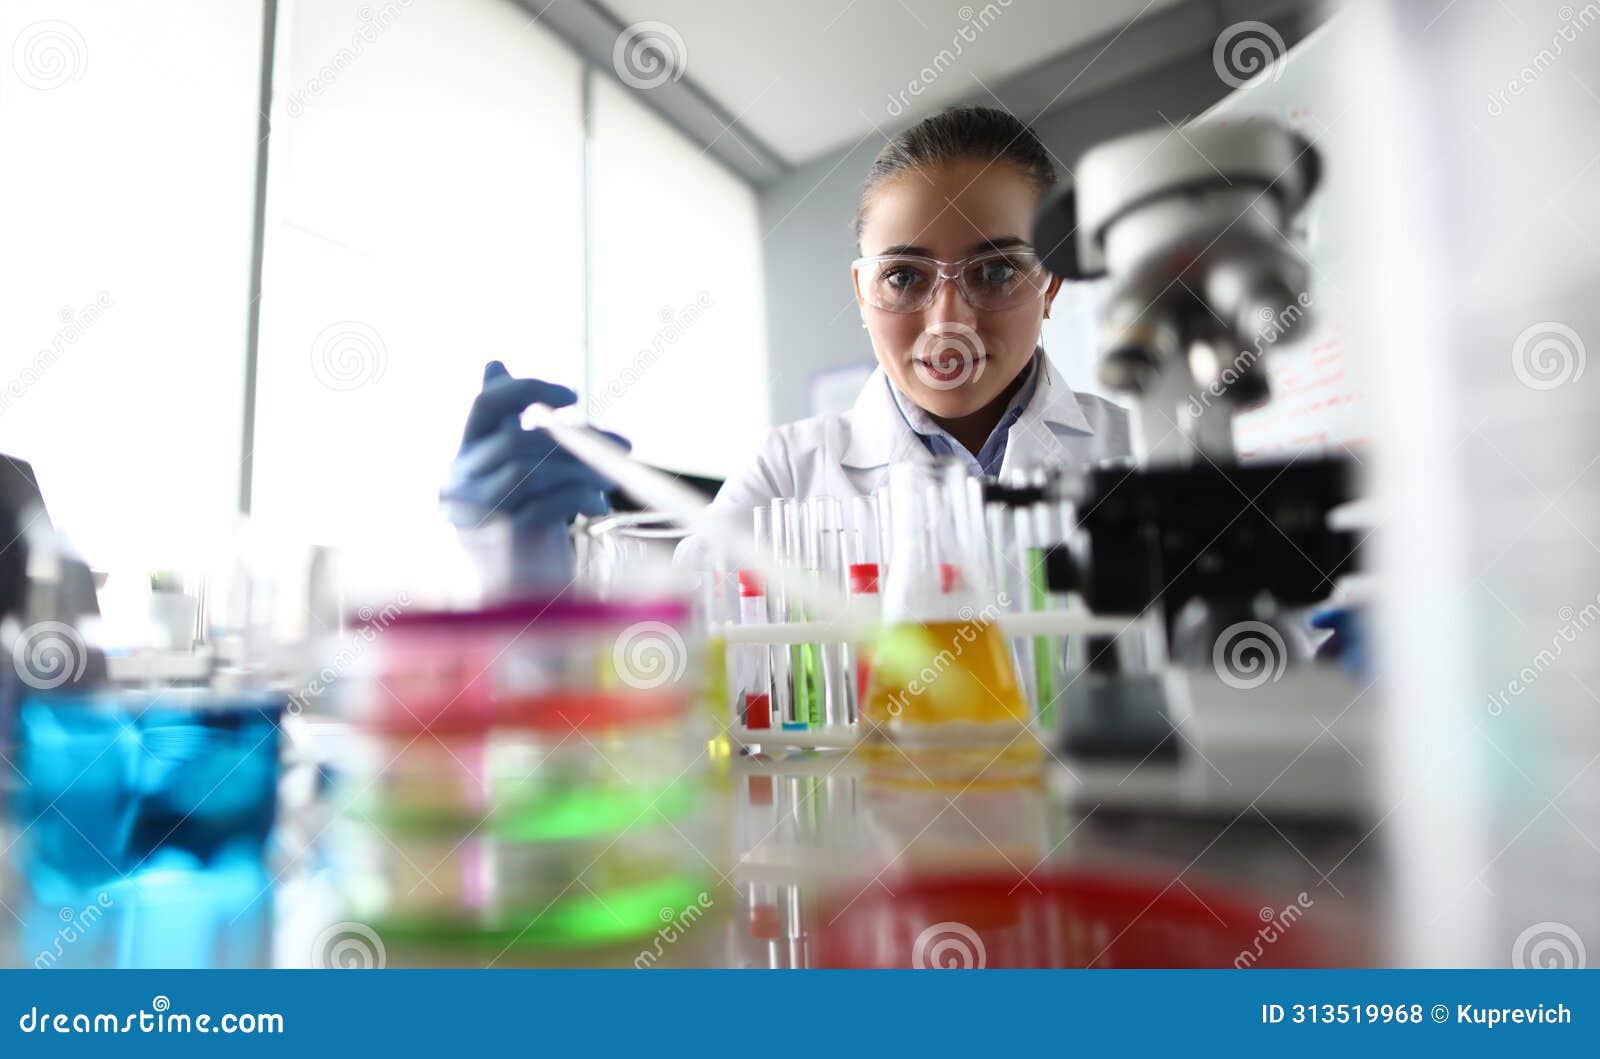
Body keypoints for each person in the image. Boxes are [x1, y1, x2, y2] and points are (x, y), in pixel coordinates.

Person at [444, 105, 1130, 576]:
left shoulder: (1144, 450)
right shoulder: (784, 472)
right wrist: (528, 565)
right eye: (903, 276)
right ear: (864, 294)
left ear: (1051, 284)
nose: (948, 318)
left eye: (996, 270)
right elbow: (661, 660)